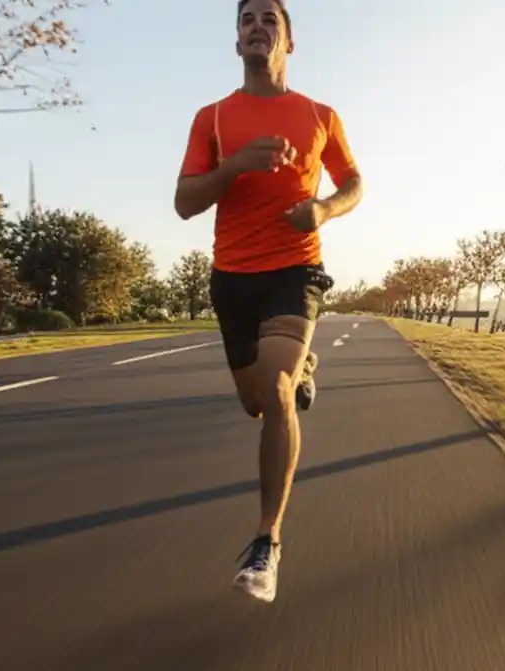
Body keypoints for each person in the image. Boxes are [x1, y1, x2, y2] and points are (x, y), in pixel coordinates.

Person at [173, 0, 363, 602]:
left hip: (296, 267)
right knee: (256, 404)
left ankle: (266, 542)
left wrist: (325, 209)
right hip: (232, 277)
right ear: (236, 43)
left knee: (277, 392)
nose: (257, 25)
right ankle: (302, 365)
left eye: (269, 18)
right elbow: (184, 201)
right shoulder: (212, 118)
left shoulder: (320, 114)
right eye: (247, 19)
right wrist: (233, 167)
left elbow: (354, 183)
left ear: (288, 40)